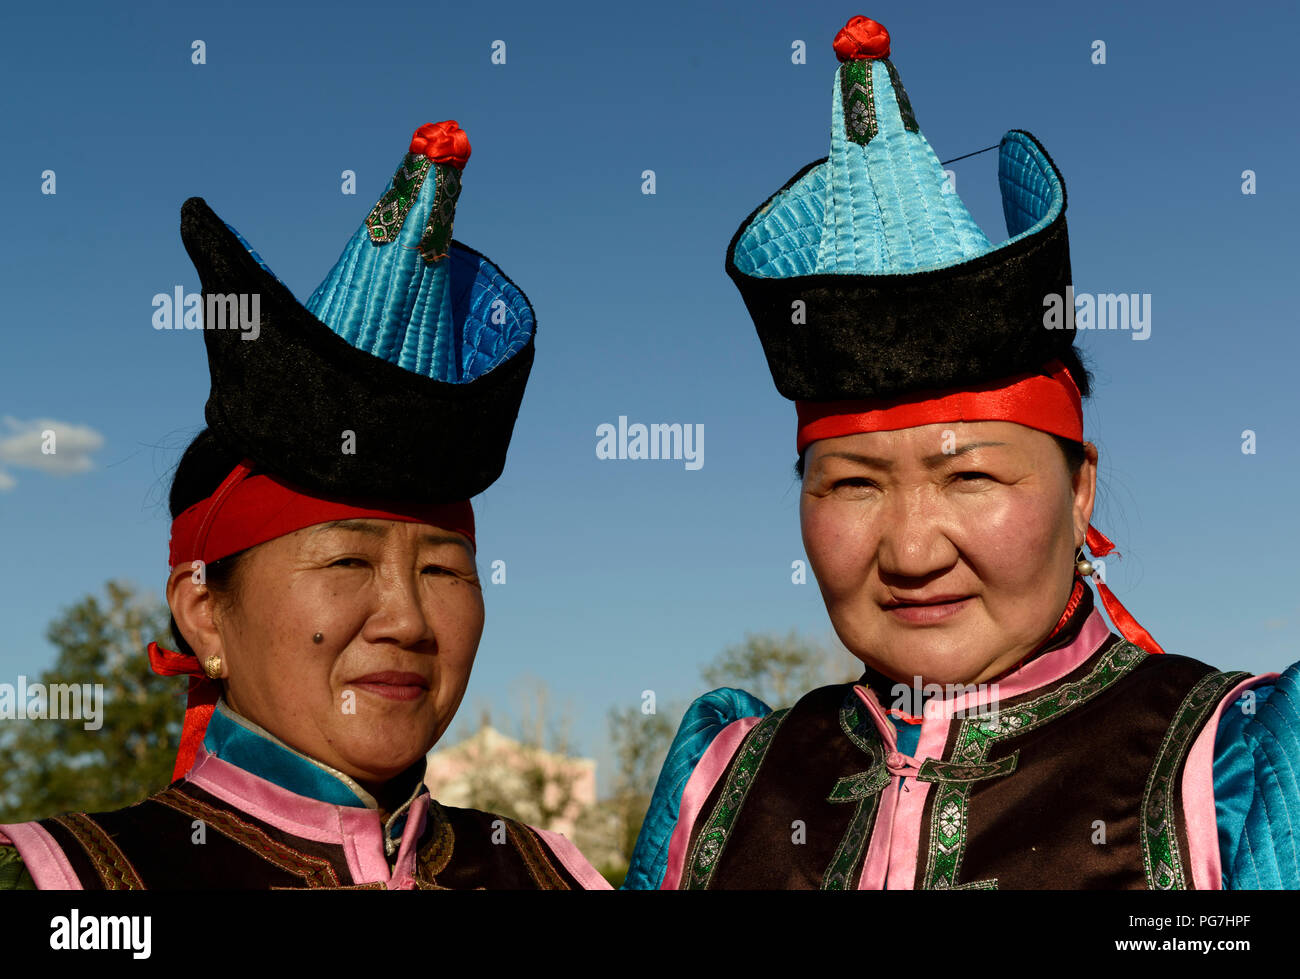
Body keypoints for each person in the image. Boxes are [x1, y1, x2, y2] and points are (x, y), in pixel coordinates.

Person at [624, 16, 1300, 890]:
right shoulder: (722, 784)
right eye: (855, 483)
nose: (911, 552)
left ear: (1080, 487)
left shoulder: (1229, 774)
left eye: (969, 474)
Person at [0, 121, 609, 890]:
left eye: (445, 569)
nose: (409, 621)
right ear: (203, 608)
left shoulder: (552, 874)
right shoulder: (66, 881)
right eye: (349, 557)